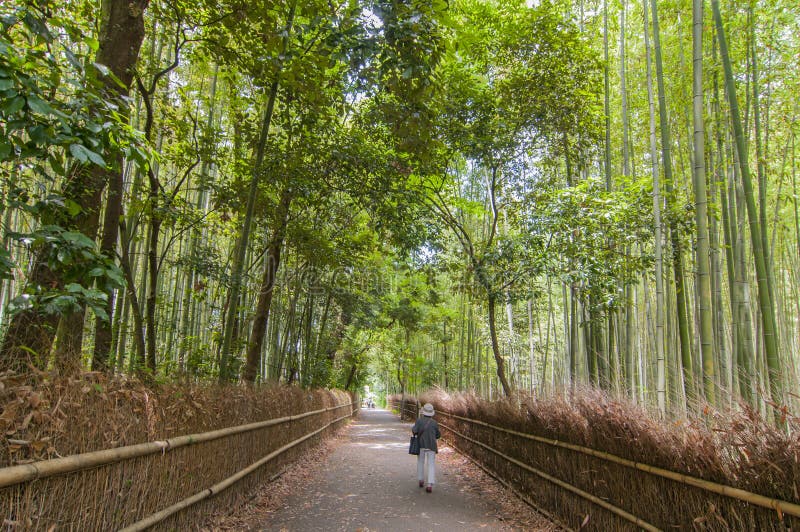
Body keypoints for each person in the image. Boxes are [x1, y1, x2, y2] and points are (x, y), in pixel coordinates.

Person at [412, 403, 441, 493]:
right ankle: (429, 485)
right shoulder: (434, 423)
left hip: (421, 445)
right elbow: (438, 435)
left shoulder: (419, 421)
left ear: (423, 412)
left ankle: (421, 480)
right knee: (431, 464)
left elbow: (414, 430)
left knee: (420, 461)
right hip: (431, 446)